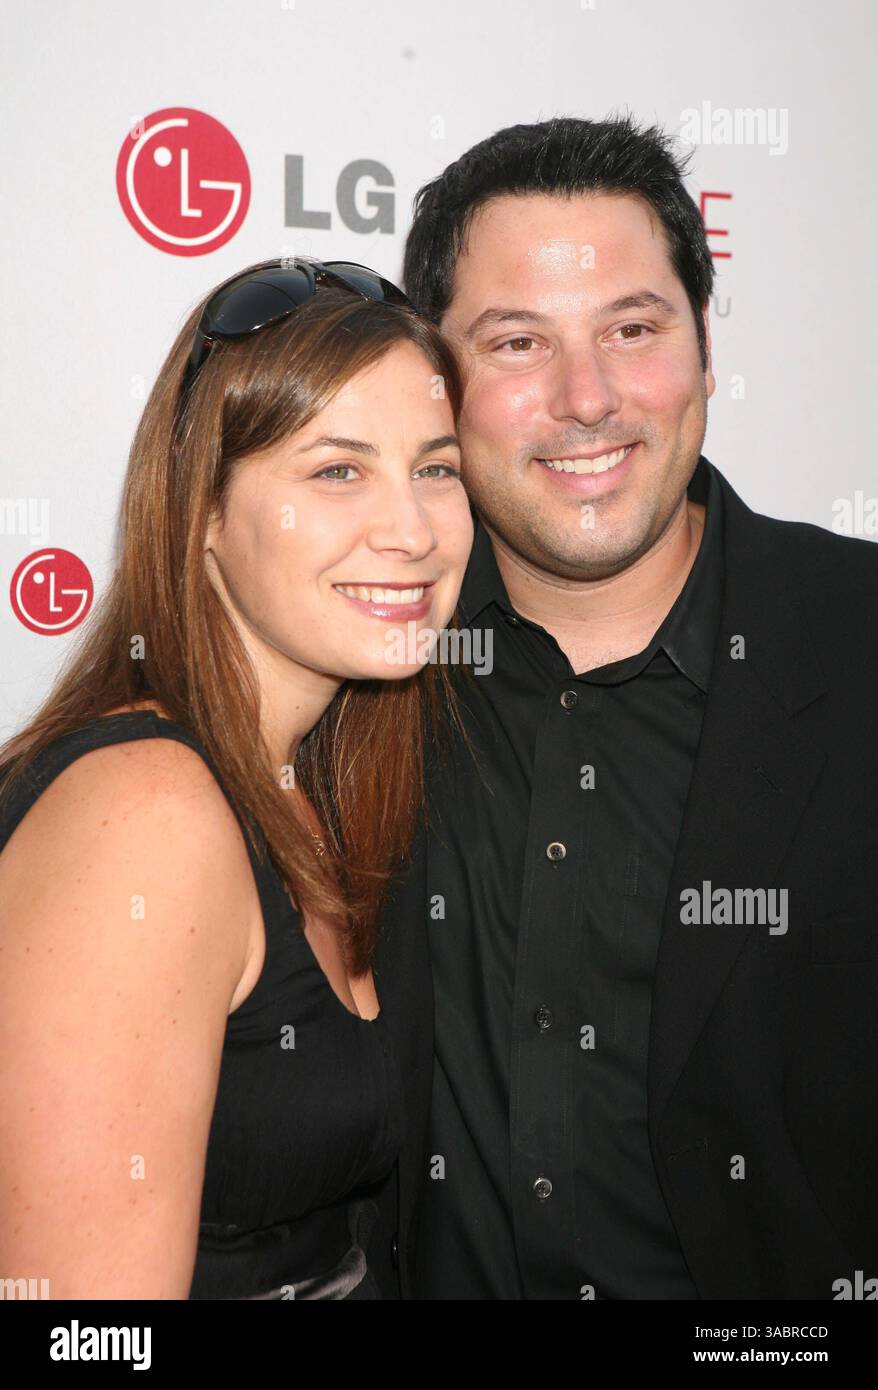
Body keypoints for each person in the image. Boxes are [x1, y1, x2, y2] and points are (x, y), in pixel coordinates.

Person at [369, 114, 878, 1300]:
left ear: (703, 347)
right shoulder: (357, 665)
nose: (585, 398)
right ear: (431, 383)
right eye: (514, 343)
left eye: (632, 329)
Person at [0, 257, 474, 1299]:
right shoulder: (147, 817)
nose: (411, 530)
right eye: (336, 471)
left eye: (435, 468)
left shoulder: (315, 789)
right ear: (203, 511)